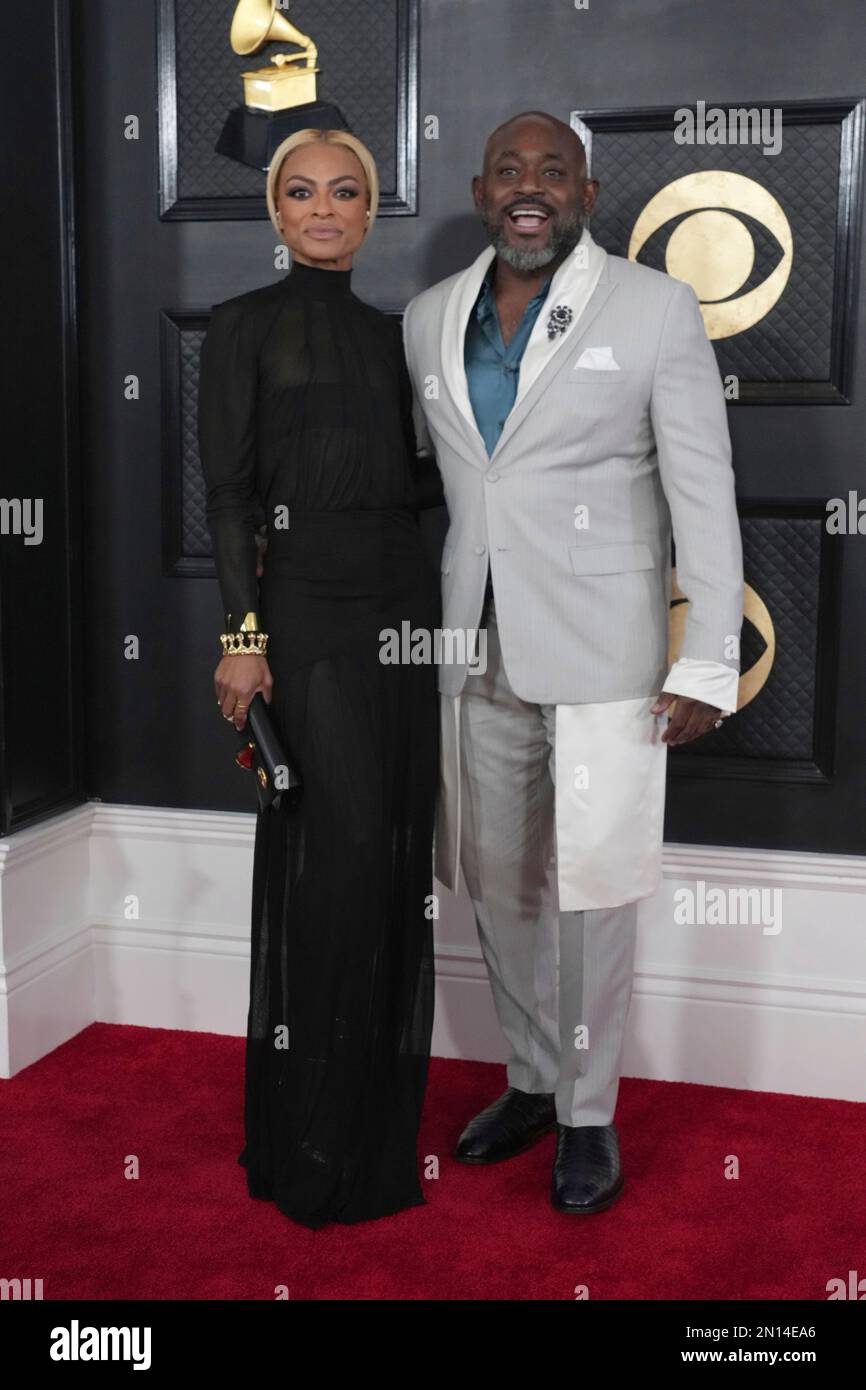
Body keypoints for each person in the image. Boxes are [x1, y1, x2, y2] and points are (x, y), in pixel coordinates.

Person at [401, 110, 744, 1214]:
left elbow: (701, 492)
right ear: (477, 187)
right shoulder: (424, 319)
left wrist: (703, 665)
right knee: (495, 881)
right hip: (474, 647)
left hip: (607, 654)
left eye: (553, 170)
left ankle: (589, 1115)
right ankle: (534, 1080)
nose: (529, 186)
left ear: (587, 194)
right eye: (510, 169)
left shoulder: (652, 309)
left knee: (591, 890)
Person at [197, 128, 444, 1229]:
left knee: (392, 847)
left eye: (347, 192)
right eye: (302, 193)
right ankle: (311, 1132)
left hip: (401, 604)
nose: (325, 209)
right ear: (275, 211)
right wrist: (241, 637)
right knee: (334, 856)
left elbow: (431, 485)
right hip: (301, 611)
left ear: (370, 206)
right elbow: (229, 498)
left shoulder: (400, 338)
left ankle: (368, 1123)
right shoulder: (242, 326)